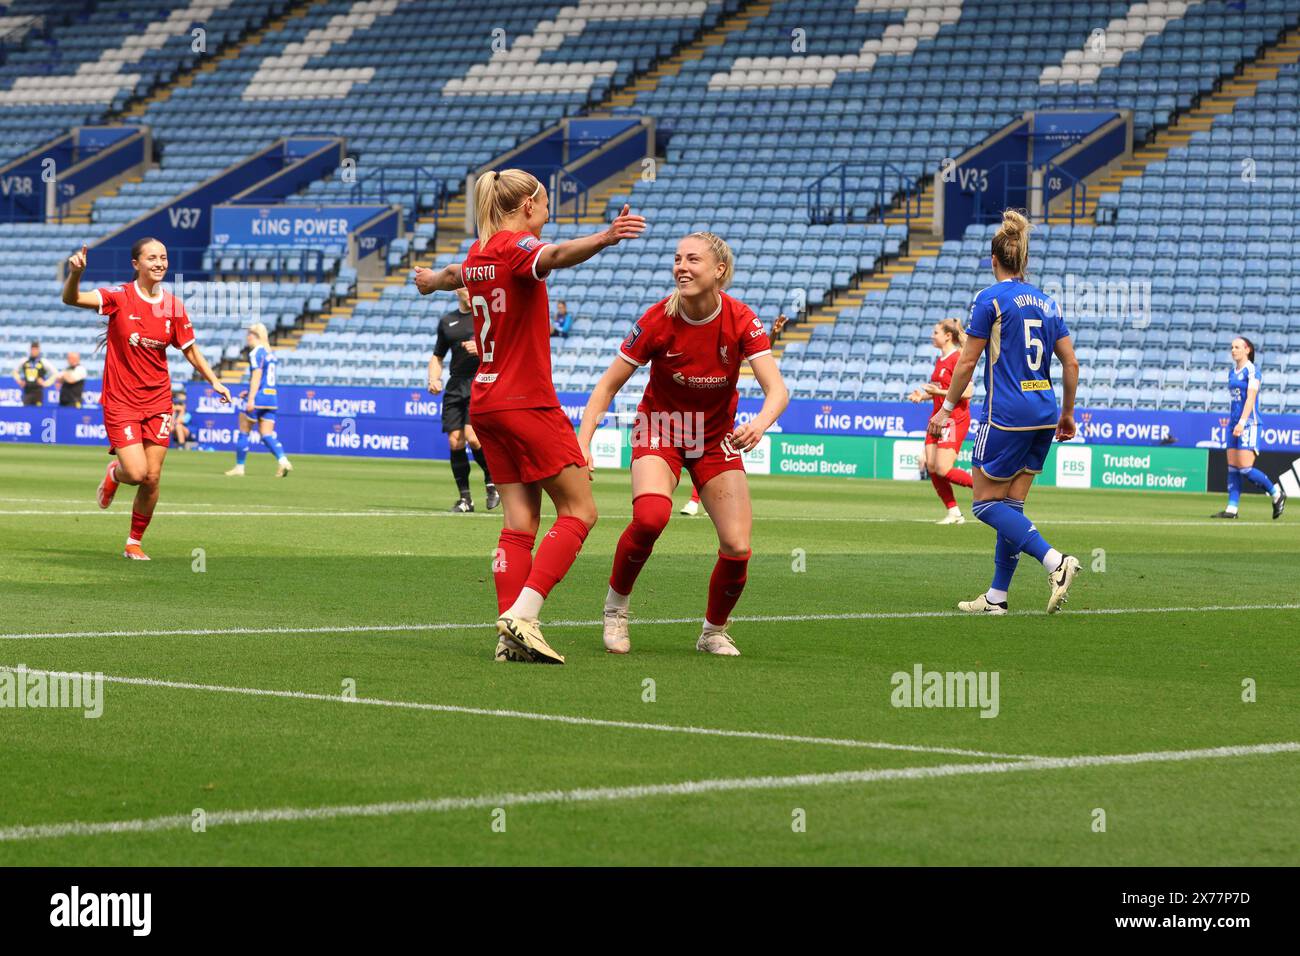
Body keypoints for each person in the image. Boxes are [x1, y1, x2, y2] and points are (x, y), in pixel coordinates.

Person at [413, 168, 645, 664]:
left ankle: (507, 638)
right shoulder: (518, 248)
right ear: (526, 208)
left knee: (520, 522)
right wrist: (605, 237)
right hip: (526, 400)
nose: (548, 212)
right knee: (581, 510)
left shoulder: (479, 253)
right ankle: (525, 613)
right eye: (544, 203)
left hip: (487, 401)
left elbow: (453, 275)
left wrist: (431, 281)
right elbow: (555, 255)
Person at [578, 231, 789, 656]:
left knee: (737, 545)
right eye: (677, 259)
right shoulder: (657, 319)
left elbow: (778, 391)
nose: (681, 267)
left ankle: (713, 631)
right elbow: (606, 387)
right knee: (652, 516)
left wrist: (762, 423)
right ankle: (616, 608)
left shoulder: (742, 319)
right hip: (660, 427)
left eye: (692, 259)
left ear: (719, 270)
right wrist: (583, 441)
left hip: (715, 439)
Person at [928, 210, 1081, 614]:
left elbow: (966, 362)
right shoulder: (1048, 303)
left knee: (984, 505)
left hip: (1007, 415)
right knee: (1011, 506)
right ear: (1023, 260)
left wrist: (945, 408)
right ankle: (997, 596)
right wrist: (1067, 414)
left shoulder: (989, 299)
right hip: (1046, 412)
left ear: (994, 260)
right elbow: (1071, 364)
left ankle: (1056, 562)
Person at [61, 238, 231, 559]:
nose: (159, 263)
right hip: (121, 400)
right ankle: (115, 473)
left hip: (158, 401)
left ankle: (133, 542)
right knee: (136, 473)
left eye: (164, 257)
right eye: (152, 257)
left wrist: (215, 382)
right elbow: (71, 299)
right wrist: (75, 275)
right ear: (136, 264)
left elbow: (190, 350)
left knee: (152, 478)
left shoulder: (173, 306)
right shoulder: (119, 297)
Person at [680, 310, 788, 518]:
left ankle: (696, 501)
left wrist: (773, 335)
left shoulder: (733, 340)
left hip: (719, 416)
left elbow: (759, 354)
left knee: (707, 458)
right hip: (689, 412)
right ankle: (691, 501)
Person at [427, 286, 498, 512]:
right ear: (457, 290)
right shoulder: (447, 321)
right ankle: (465, 499)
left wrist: (482, 348)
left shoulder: (487, 318)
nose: (472, 291)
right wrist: (433, 379)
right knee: (455, 441)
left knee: (473, 438)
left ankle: (492, 482)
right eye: (467, 287)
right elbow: (437, 356)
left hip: (480, 383)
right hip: (455, 384)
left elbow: (505, 348)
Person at [1211, 336, 1285, 519]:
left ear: (1247, 350)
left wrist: (1242, 422)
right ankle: (1232, 509)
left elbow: (1250, 398)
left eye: (1237, 347)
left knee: (1244, 467)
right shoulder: (1231, 372)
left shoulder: (1252, 371)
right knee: (1232, 467)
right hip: (1233, 422)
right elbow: (1236, 400)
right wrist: (1232, 421)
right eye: (1232, 347)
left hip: (1249, 423)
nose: (1233, 350)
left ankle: (1276, 494)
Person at [909, 318, 975, 524]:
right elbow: (942, 391)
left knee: (944, 469)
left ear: (948, 336)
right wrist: (924, 396)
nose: (932, 335)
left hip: (953, 419)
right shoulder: (940, 360)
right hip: (937, 418)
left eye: (935, 332)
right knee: (930, 465)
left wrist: (938, 391)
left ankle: (986, 488)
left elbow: (968, 391)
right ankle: (954, 512)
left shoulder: (957, 358)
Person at [225, 323, 292, 477]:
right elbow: (265, 379)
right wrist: (248, 391)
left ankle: (239, 467)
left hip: (259, 398)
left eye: (249, 334)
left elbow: (256, 376)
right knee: (267, 434)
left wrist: (251, 398)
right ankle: (283, 461)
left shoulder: (256, 353)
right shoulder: (270, 353)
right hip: (271, 398)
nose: (247, 337)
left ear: (255, 336)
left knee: (244, 430)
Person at [13, 342, 53, 406]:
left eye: (36, 349)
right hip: (27, 391)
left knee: (38, 412)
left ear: (39, 350)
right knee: (26, 412)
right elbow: (15, 372)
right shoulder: (24, 361)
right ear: (30, 350)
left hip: (38, 392)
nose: (34, 351)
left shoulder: (43, 362)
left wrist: (46, 383)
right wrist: (19, 381)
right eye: (33, 349)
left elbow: (54, 373)